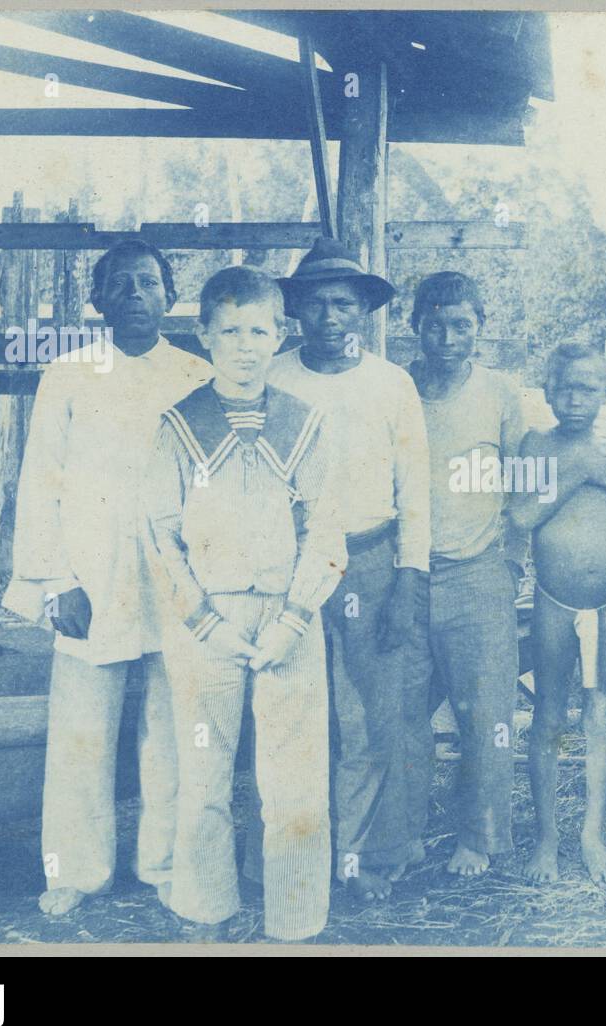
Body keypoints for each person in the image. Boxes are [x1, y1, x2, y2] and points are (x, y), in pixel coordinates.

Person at [4, 239, 210, 917]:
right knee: (82, 732)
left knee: (172, 723)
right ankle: (76, 869)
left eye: (148, 283)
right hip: (90, 576)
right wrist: (56, 579)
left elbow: (211, 486)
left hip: (175, 574)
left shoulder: (195, 375)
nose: (134, 295)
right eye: (118, 285)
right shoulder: (67, 374)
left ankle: (167, 862)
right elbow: (41, 481)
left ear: (170, 296)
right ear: (97, 301)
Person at [144, 266, 345, 941]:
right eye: (229, 330)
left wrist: (295, 617)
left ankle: (295, 918)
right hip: (208, 623)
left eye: (260, 330)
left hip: (290, 617)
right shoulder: (177, 424)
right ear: (203, 335)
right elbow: (160, 534)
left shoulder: (305, 423)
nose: (245, 344)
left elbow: (327, 530)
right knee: (203, 772)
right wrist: (203, 620)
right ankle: (205, 908)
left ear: (280, 333)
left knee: (293, 778)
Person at [269, 238, 431, 904]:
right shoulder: (273, 378)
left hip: (370, 561)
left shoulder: (391, 383)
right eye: (316, 304)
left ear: (364, 310)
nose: (329, 317)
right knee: (293, 714)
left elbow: (414, 489)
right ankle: (291, 857)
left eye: (343, 303)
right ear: (297, 311)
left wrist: (409, 578)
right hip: (289, 563)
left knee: (370, 718)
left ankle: (365, 859)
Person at [403, 271, 526, 878]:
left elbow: (524, 483)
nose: (448, 338)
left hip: (478, 573)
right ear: (415, 326)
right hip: (404, 573)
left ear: (479, 328)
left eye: (463, 326)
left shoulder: (501, 394)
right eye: (435, 325)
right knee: (397, 714)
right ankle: (399, 834)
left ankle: (478, 838)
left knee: (486, 716)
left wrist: (512, 561)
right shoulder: (395, 389)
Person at [510, 342, 606, 884]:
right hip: (553, 601)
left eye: (589, 388)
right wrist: (577, 468)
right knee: (549, 718)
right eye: (565, 388)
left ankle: (591, 836)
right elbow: (522, 514)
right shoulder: (538, 444)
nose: (576, 399)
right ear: (548, 390)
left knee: (600, 714)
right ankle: (547, 840)